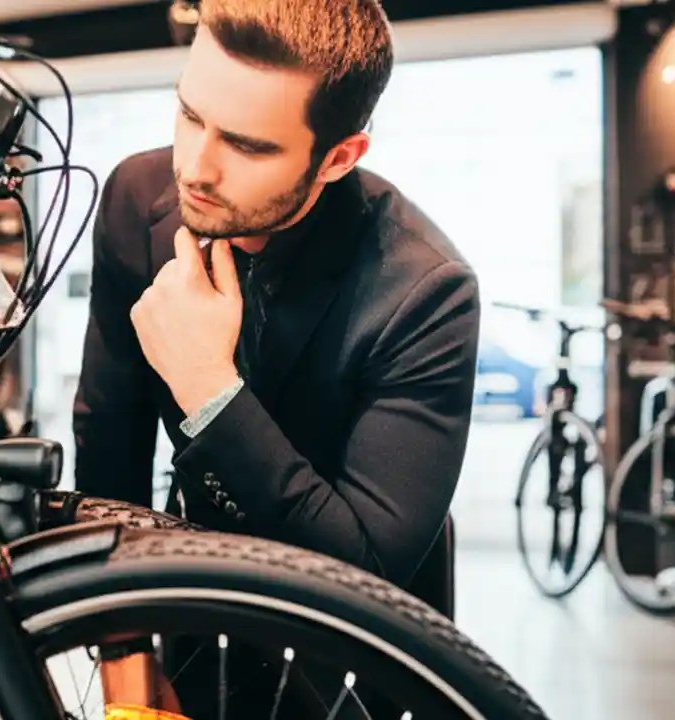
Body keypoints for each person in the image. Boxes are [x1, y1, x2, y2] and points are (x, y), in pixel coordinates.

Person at [72, 0, 481, 715]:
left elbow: (365, 569)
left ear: (338, 157)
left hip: (357, 666)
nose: (195, 168)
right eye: (189, 115)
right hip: (192, 610)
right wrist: (125, 653)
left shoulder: (426, 292)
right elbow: (110, 442)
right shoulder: (135, 202)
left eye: (249, 146)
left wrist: (208, 390)